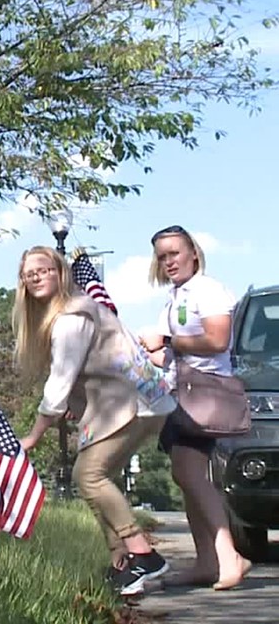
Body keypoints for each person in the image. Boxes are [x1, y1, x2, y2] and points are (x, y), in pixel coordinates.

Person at [13, 245, 171, 596]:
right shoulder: (71, 312)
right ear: (23, 284)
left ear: (60, 272)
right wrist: (76, 401)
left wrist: (34, 435)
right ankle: (123, 563)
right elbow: (89, 368)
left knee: (89, 475)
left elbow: (60, 380)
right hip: (133, 400)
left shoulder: (71, 317)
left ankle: (144, 555)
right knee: (94, 480)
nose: (36, 276)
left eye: (44, 269)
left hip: (134, 402)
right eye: (29, 274)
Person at [139, 225, 253, 590]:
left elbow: (217, 339)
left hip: (203, 394)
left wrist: (170, 340)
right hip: (180, 393)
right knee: (184, 476)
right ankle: (206, 561)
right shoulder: (174, 298)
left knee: (189, 476)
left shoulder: (209, 290)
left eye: (174, 253)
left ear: (193, 253)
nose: (168, 261)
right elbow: (165, 355)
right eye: (162, 256)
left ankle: (228, 556)